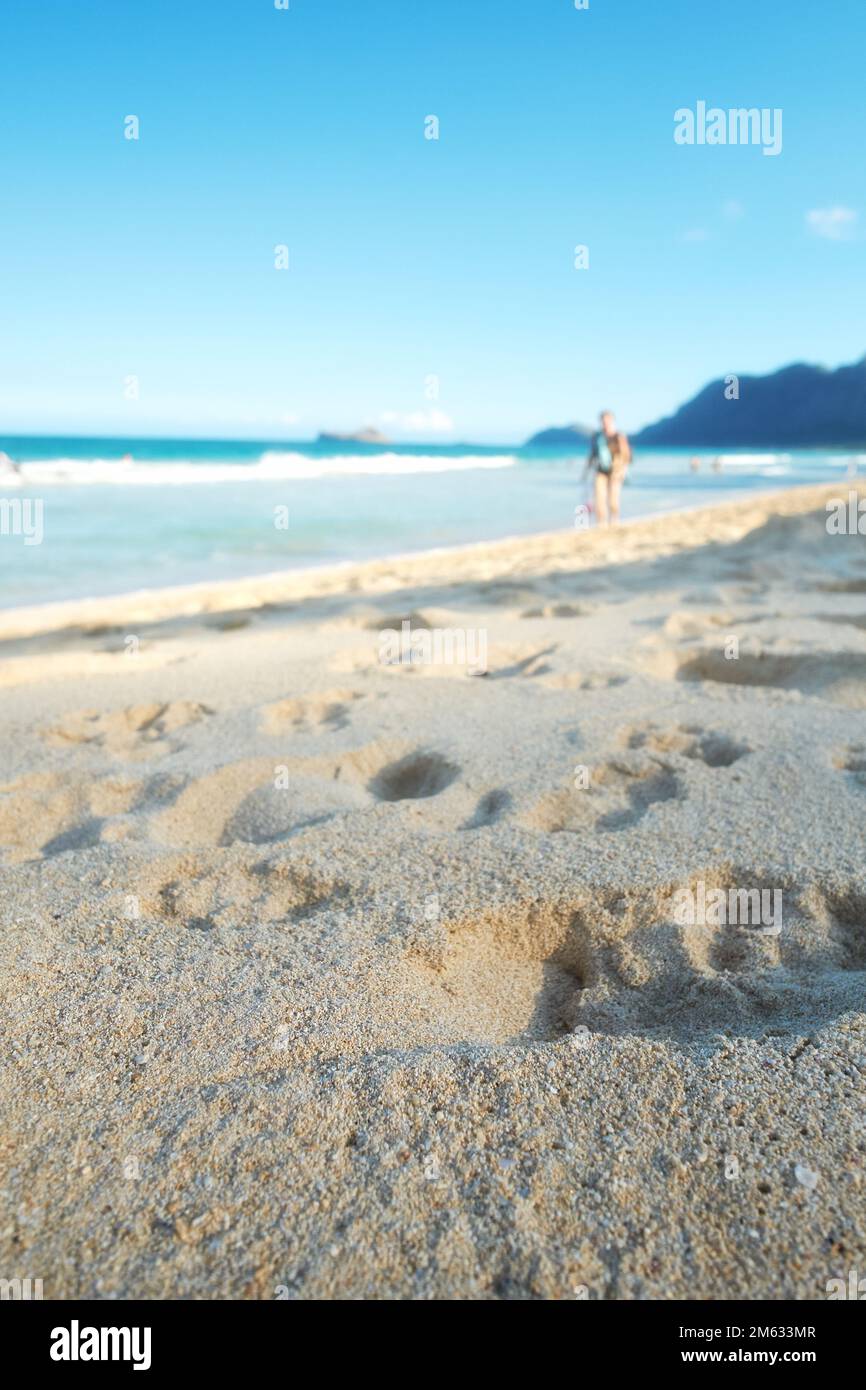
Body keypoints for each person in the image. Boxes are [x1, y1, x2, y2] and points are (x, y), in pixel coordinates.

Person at [584, 410, 631, 525]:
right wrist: (585, 472)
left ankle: (614, 521)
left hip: (616, 471)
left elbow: (626, 455)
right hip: (600, 470)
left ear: (612, 421)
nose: (605, 423)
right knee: (599, 499)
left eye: (607, 420)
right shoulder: (597, 437)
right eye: (603, 420)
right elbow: (592, 454)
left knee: (613, 499)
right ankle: (601, 523)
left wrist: (624, 470)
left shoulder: (619, 436)